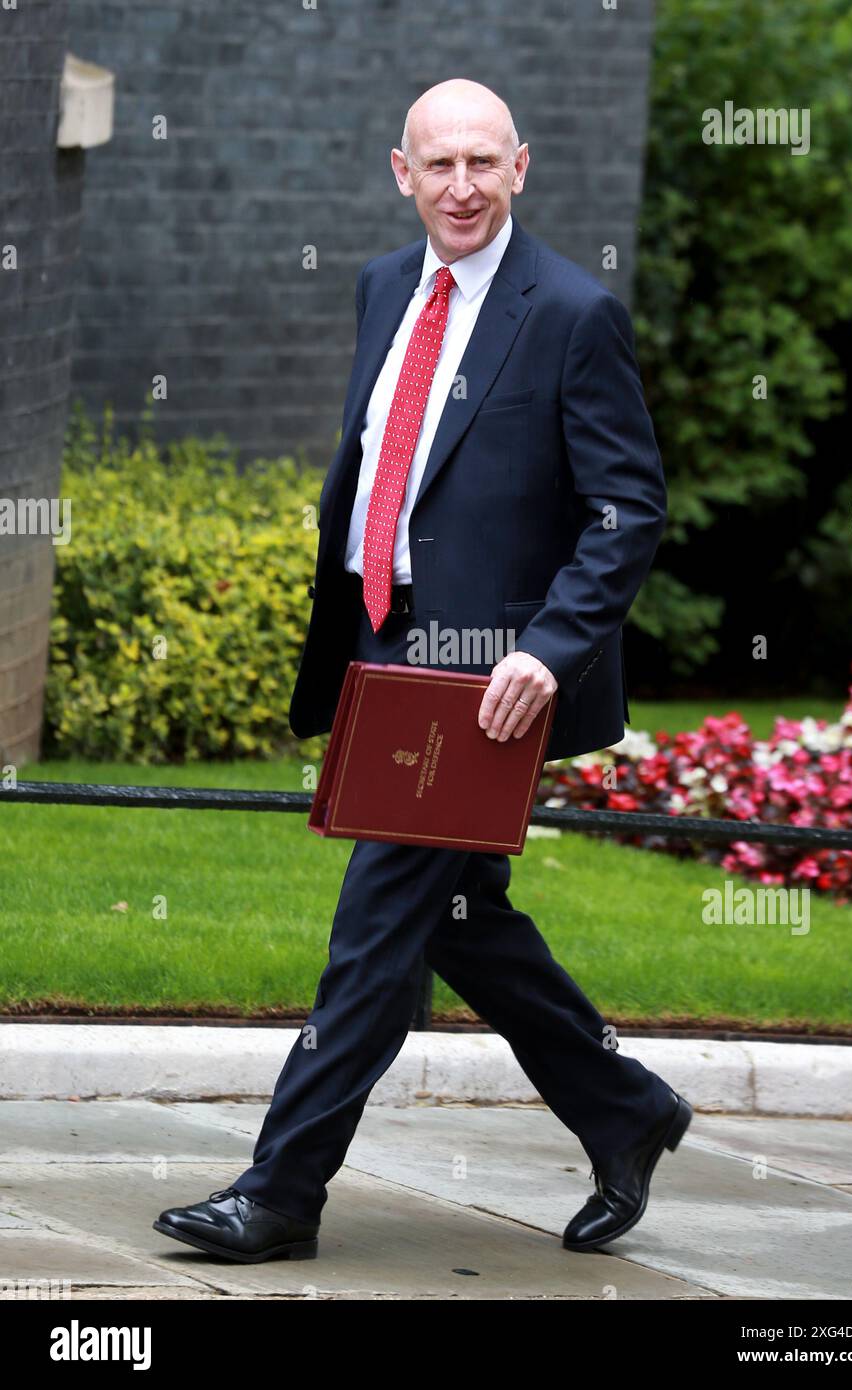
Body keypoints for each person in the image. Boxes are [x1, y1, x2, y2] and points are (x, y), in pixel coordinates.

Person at [154, 77, 691, 1265]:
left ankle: (282, 1192)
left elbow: (625, 508)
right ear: (402, 173)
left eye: (482, 163)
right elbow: (386, 470)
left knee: (378, 920)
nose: (460, 185)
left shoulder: (570, 312)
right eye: (437, 164)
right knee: (459, 919)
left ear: (521, 168)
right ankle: (626, 1107)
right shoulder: (386, 286)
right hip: (387, 657)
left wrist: (549, 653)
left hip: (488, 685)